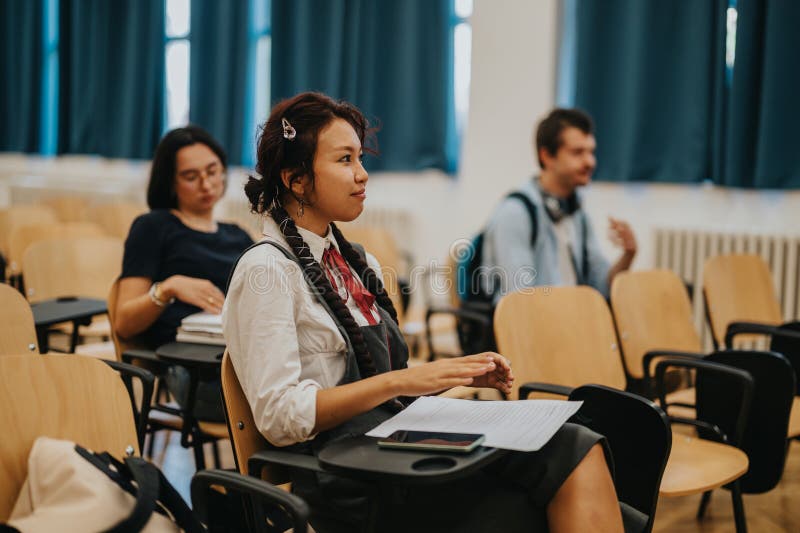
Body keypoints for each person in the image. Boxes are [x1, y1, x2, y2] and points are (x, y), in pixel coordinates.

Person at [223, 92, 643, 532]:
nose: (363, 175)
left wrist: (452, 374)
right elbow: (280, 419)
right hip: (348, 481)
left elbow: (382, 384)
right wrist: (403, 381)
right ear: (296, 179)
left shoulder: (349, 259)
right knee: (557, 495)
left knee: (572, 441)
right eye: (345, 160)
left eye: (360, 158)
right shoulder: (266, 270)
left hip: (390, 451)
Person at [115, 126, 253, 421]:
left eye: (213, 171)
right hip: (195, 372)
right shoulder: (153, 227)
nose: (206, 183)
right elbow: (124, 323)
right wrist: (167, 288)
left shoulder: (238, 236)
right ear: (171, 182)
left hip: (244, 358)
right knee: (300, 404)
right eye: (191, 176)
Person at [480, 108, 636, 301]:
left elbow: (602, 287)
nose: (590, 161)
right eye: (577, 152)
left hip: (569, 322)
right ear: (547, 156)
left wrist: (628, 254)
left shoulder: (577, 214)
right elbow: (520, 304)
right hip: (535, 326)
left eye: (591, 152)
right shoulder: (516, 214)